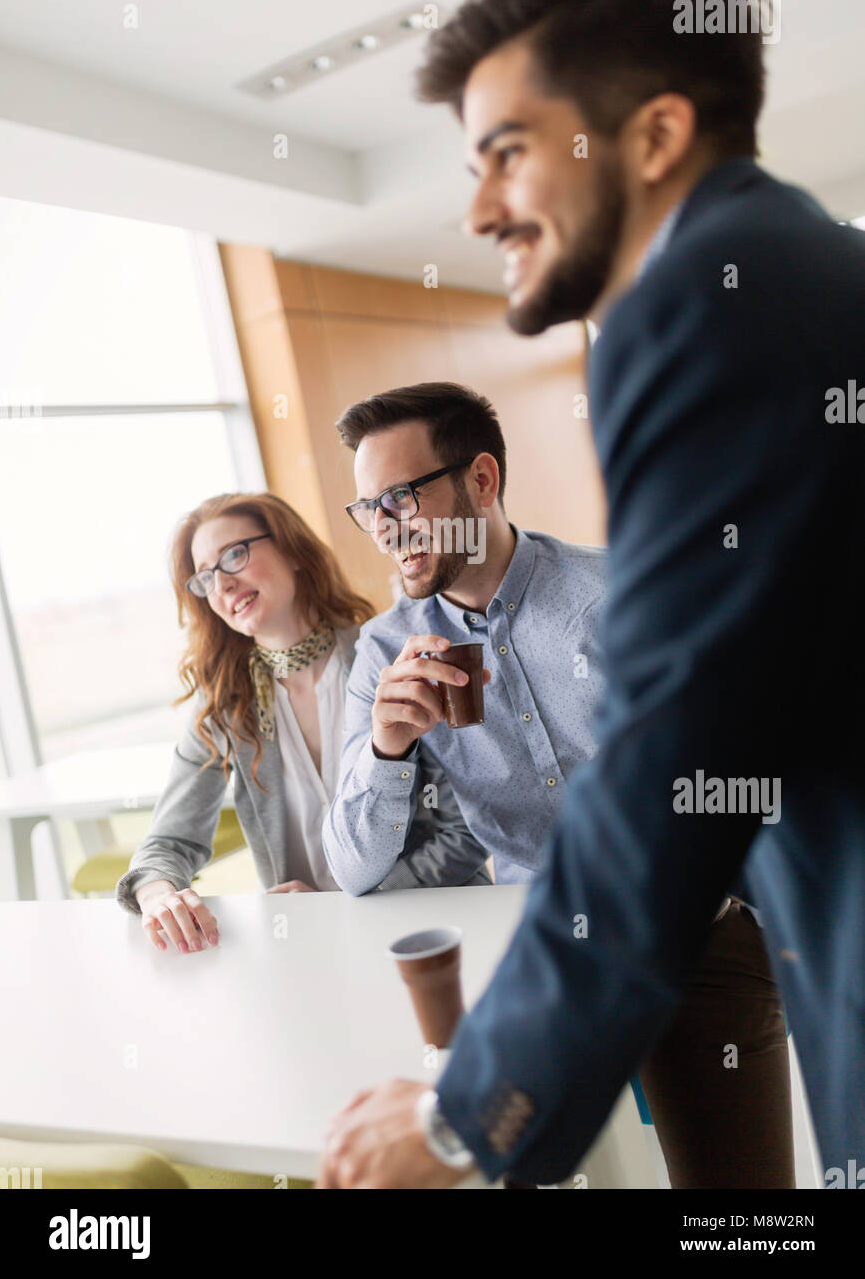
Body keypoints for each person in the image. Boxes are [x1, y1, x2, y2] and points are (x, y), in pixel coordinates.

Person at [316, 0, 865, 1188]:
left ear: (655, 136)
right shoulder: (802, 274)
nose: (476, 208)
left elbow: (678, 769)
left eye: (507, 150)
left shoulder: (704, 304)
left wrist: (466, 1116)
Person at [323, 379, 794, 1189]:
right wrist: (387, 749)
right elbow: (352, 869)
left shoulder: (625, 596)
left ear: (481, 481)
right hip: (531, 954)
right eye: (370, 510)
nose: (387, 530)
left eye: (402, 497)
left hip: (695, 939)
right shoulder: (382, 652)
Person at [115, 492, 490, 951]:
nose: (223, 586)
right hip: (313, 949)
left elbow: (466, 832)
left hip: (439, 931)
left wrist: (337, 901)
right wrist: (157, 896)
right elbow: (167, 843)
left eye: (235, 555)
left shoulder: (390, 659)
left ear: (292, 550)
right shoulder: (224, 703)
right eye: (206, 578)